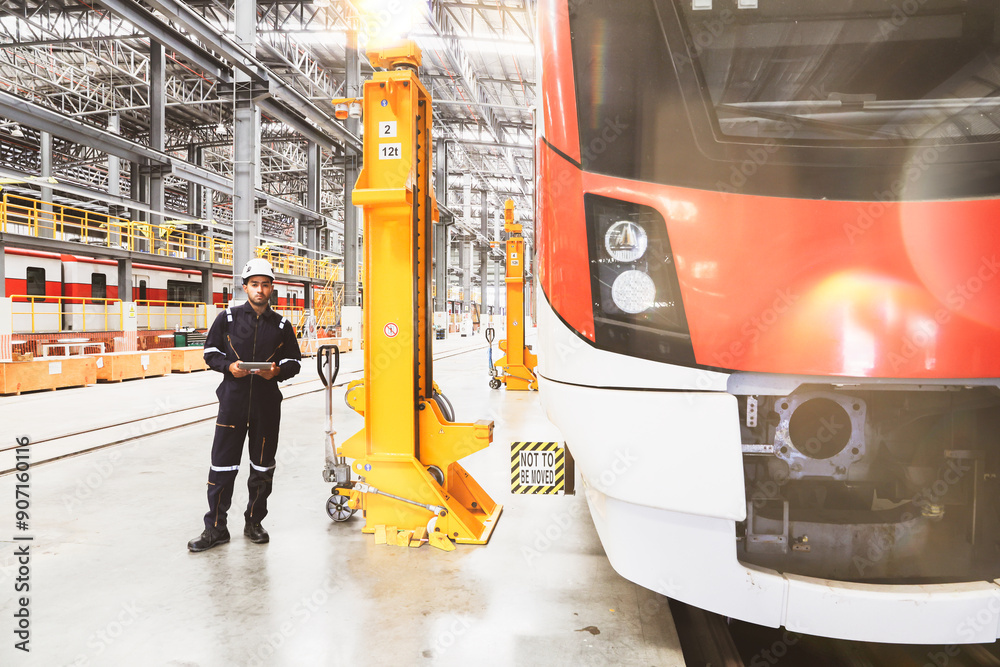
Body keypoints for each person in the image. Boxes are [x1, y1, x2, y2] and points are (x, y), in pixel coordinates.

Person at [188, 258, 302, 552]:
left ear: (272, 288)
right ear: (245, 287)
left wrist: (276, 371)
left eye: (265, 285)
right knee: (222, 466)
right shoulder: (227, 319)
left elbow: (294, 361)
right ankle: (215, 528)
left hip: (266, 406)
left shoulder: (281, 325)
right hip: (233, 403)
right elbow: (210, 352)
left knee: (262, 467)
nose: (259, 290)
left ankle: (254, 522)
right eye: (254, 284)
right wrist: (229, 367)